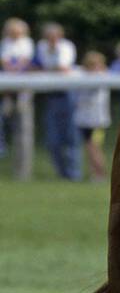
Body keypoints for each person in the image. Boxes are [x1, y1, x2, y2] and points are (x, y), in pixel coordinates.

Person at [35, 23, 81, 180]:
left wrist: (46, 70)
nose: (51, 40)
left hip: (68, 93)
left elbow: (62, 67)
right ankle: (61, 173)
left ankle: (74, 174)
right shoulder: (41, 46)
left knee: (71, 137)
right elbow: (44, 66)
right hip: (51, 94)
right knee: (53, 139)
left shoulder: (67, 46)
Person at [0, 18, 35, 177]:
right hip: (9, 88)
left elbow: (24, 62)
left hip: (22, 89)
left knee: (24, 133)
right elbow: (5, 61)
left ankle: (23, 172)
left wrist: (14, 70)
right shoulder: (6, 43)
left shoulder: (26, 43)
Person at [73, 51, 111, 181]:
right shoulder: (82, 75)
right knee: (89, 147)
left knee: (93, 147)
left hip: (97, 120)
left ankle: (101, 174)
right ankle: (94, 174)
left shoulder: (103, 76)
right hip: (84, 119)